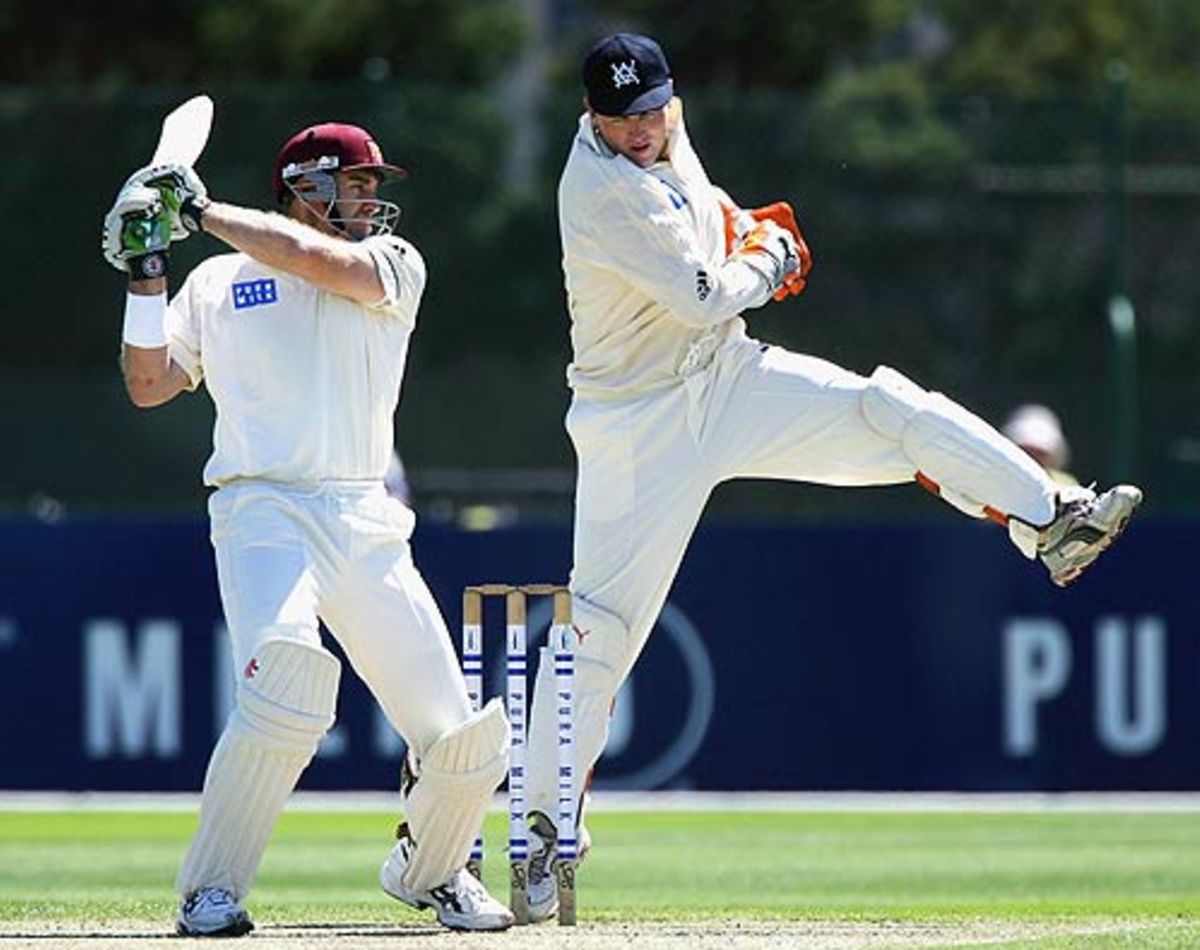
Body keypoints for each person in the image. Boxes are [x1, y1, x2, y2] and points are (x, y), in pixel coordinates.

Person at [519, 32, 1144, 921]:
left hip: (726, 378)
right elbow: (703, 291)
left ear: (671, 97)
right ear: (592, 119)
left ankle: (1051, 516)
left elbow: (707, 218)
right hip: (635, 423)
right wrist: (768, 256)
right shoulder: (597, 188)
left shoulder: (670, 133)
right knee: (603, 629)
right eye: (623, 120)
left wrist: (741, 226)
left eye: (653, 110)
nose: (644, 131)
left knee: (892, 410)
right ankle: (541, 837)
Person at [102, 121, 514, 935]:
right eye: (355, 184)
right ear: (305, 187)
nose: (370, 199)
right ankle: (210, 892)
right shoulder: (217, 283)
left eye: (371, 187)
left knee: (464, 740)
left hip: (364, 512)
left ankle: (431, 871)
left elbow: (321, 265)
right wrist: (146, 275)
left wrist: (201, 209)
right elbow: (150, 384)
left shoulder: (394, 265)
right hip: (263, 509)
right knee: (285, 685)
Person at [1002, 404, 1078, 487]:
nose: (1032, 458)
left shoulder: (1066, 487)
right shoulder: (993, 475)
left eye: (1039, 453)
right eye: (1026, 450)